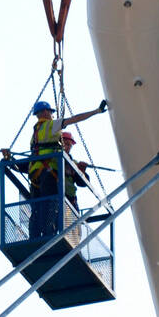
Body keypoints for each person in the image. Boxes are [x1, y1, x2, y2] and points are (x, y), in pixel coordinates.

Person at [21, 99, 106, 240]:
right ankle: (50, 236)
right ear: (45, 112)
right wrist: (96, 112)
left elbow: (82, 181)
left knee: (37, 209)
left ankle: (35, 238)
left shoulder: (36, 132)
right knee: (51, 205)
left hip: (36, 176)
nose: (52, 115)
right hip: (48, 174)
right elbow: (75, 119)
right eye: (51, 112)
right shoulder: (50, 126)